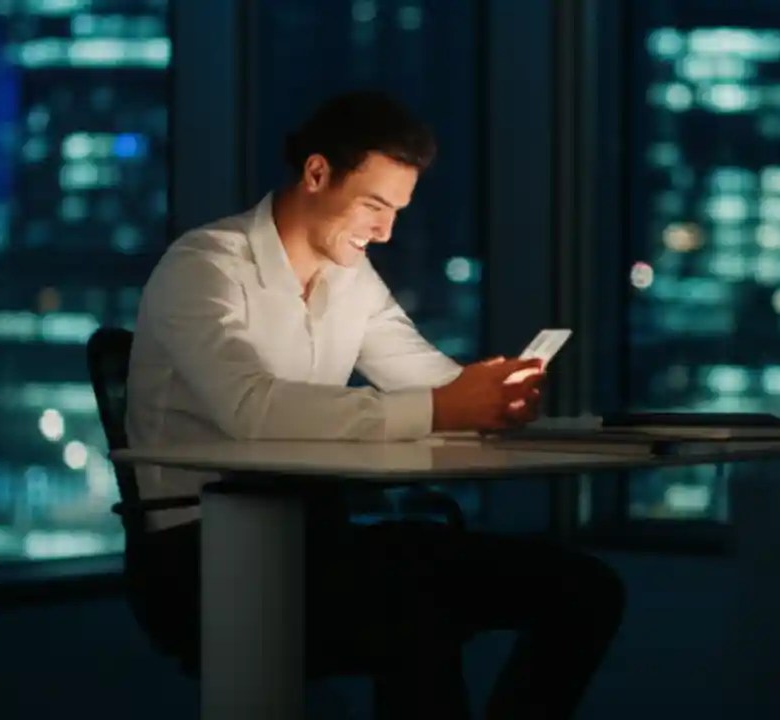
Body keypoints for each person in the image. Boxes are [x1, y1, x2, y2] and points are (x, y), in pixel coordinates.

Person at [125, 90, 624, 719]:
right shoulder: (204, 267)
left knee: (586, 590)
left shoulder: (348, 276)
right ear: (316, 174)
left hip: (321, 539)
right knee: (417, 616)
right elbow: (250, 409)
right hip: (203, 557)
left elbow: (426, 378)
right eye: (374, 205)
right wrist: (446, 407)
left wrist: (490, 397)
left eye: (397, 212)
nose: (385, 231)